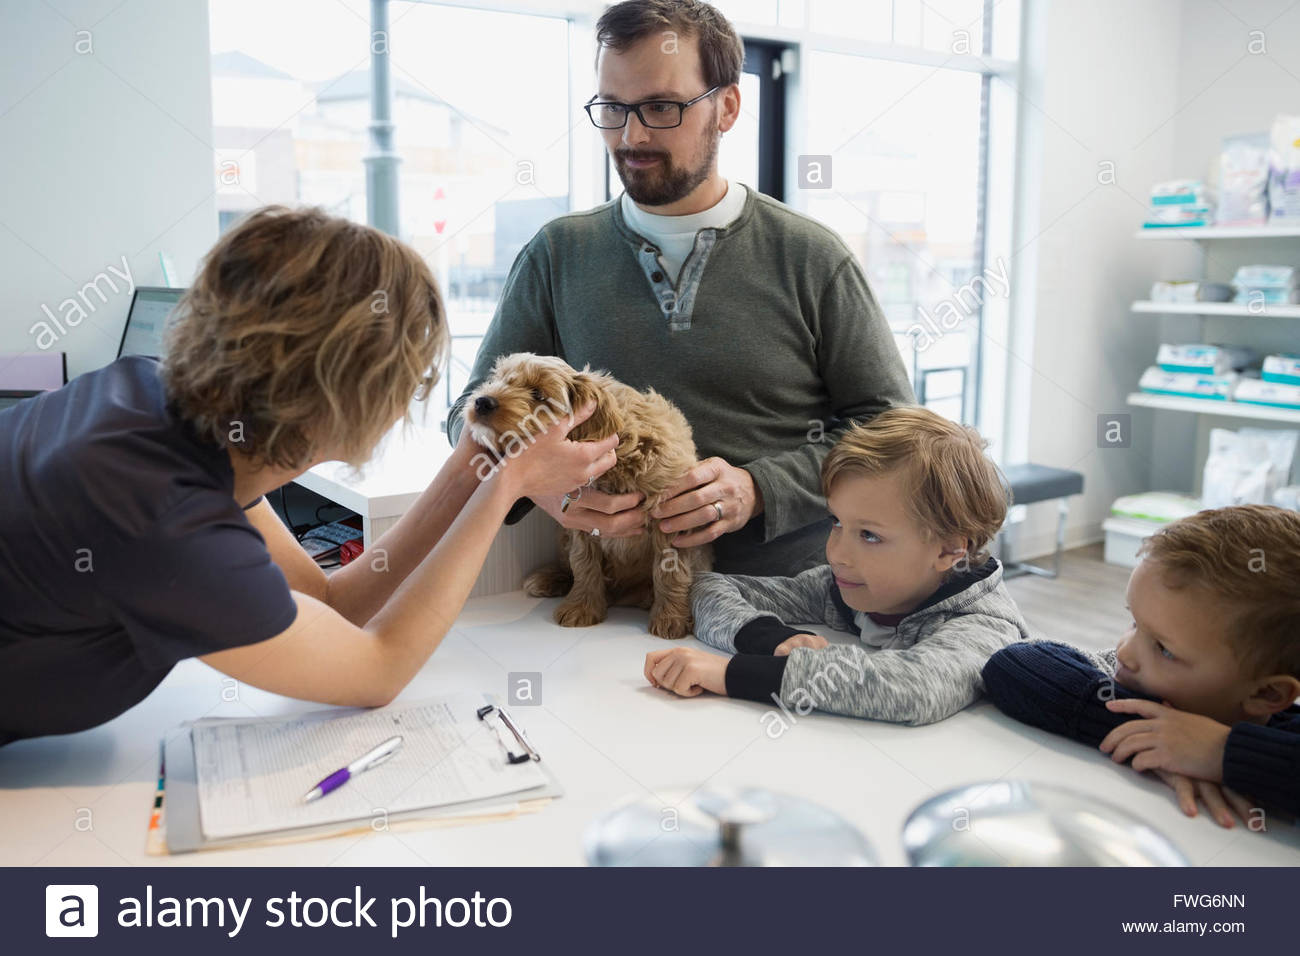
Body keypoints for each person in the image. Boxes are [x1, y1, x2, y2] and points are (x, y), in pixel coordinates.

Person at [0, 205, 618, 745]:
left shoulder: (158, 402)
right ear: (345, 395)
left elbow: (328, 603)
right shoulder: (161, 519)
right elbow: (375, 670)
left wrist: (470, 467)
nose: (405, 404)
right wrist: (505, 486)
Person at [447, 0, 914, 577]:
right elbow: (467, 415)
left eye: (661, 106)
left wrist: (759, 488)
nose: (631, 134)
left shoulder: (812, 257)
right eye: (613, 108)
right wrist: (539, 489)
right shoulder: (557, 254)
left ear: (728, 107)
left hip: (789, 600)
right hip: (615, 607)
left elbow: (891, 431)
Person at [644, 407, 1028, 725]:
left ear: (948, 549)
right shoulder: (846, 587)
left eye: (870, 536)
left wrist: (727, 674)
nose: (837, 553)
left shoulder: (984, 625)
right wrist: (768, 639)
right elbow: (708, 587)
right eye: (837, 523)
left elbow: (915, 688)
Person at [982, 505, 1300, 829]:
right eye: (1134, 623)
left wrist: (1222, 753)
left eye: (1164, 650)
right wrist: (1145, 734)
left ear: (1267, 692)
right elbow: (1010, 665)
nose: (1125, 651)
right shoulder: (1124, 676)